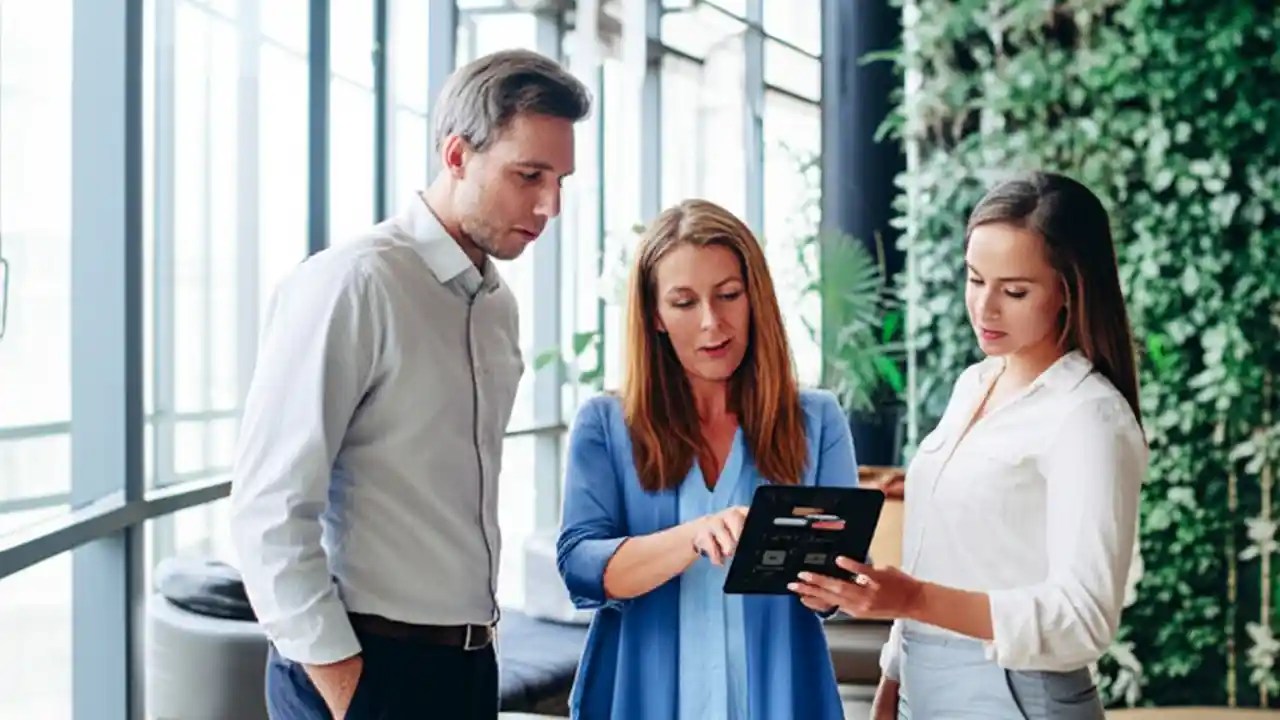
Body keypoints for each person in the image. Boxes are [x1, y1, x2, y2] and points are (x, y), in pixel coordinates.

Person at [228, 49, 591, 719]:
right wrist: (347, 685)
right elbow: (269, 509)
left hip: (467, 663)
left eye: (560, 180)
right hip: (363, 667)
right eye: (528, 175)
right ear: (457, 155)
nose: (550, 205)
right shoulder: (355, 283)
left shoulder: (496, 306)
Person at [790, 171, 1148, 719]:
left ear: (1070, 290)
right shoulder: (975, 384)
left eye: (1015, 291)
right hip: (923, 688)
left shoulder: (1088, 416)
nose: (985, 308)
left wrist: (912, 599)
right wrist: (893, 681)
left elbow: (1084, 619)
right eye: (976, 279)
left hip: (1016, 694)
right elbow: (937, 552)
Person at [556, 199, 859, 720]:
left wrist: (834, 586)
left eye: (729, 295)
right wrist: (695, 536)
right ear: (654, 315)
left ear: (754, 297)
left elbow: (844, 578)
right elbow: (582, 568)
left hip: (780, 703)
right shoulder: (605, 425)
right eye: (683, 302)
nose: (712, 322)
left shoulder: (817, 419)